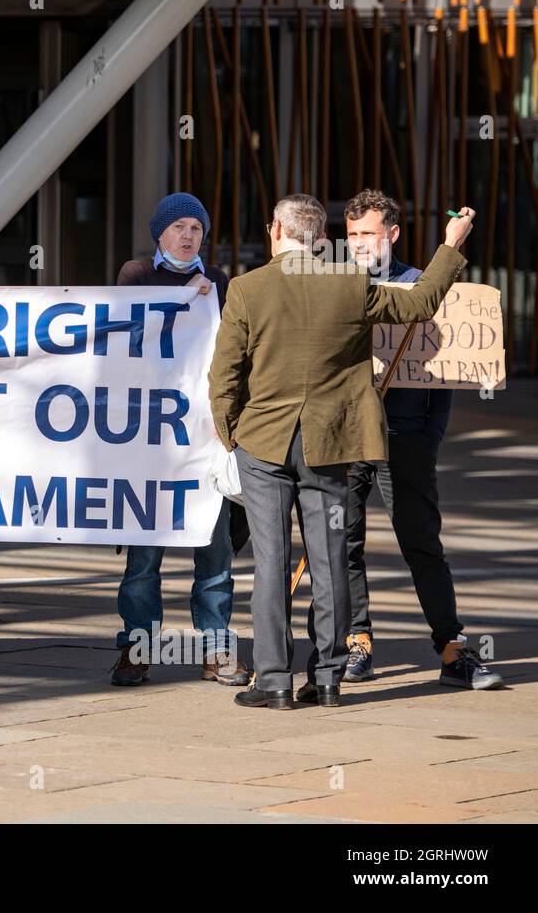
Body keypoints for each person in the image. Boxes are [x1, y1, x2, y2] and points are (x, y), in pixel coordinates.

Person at [208, 194, 474, 710]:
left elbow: (225, 378)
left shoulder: (246, 289)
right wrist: (450, 247)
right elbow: (419, 304)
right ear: (321, 239)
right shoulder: (351, 284)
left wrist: (233, 436)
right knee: (330, 559)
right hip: (331, 443)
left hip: (264, 443)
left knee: (271, 563)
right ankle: (327, 678)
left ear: (277, 234)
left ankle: (274, 681)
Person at [341, 189, 503, 690]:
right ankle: (357, 641)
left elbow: (445, 372)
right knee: (341, 543)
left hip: (404, 438)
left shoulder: (420, 285)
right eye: (350, 236)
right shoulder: (334, 286)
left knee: (421, 544)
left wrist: (427, 435)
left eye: (368, 234)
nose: (359, 244)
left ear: (391, 234)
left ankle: (451, 647)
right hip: (346, 439)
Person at [109, 192, 250, 688]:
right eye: (179, 227)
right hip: (150, 444)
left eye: (196, 228)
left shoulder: (220, 285)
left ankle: (216, 651)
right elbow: (131, 336)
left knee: (214, 555)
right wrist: (182, 295)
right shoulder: (136, 275)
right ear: (160, 234)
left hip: (202, 440)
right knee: (144, 561)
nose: (189, 236)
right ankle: (137, 649)